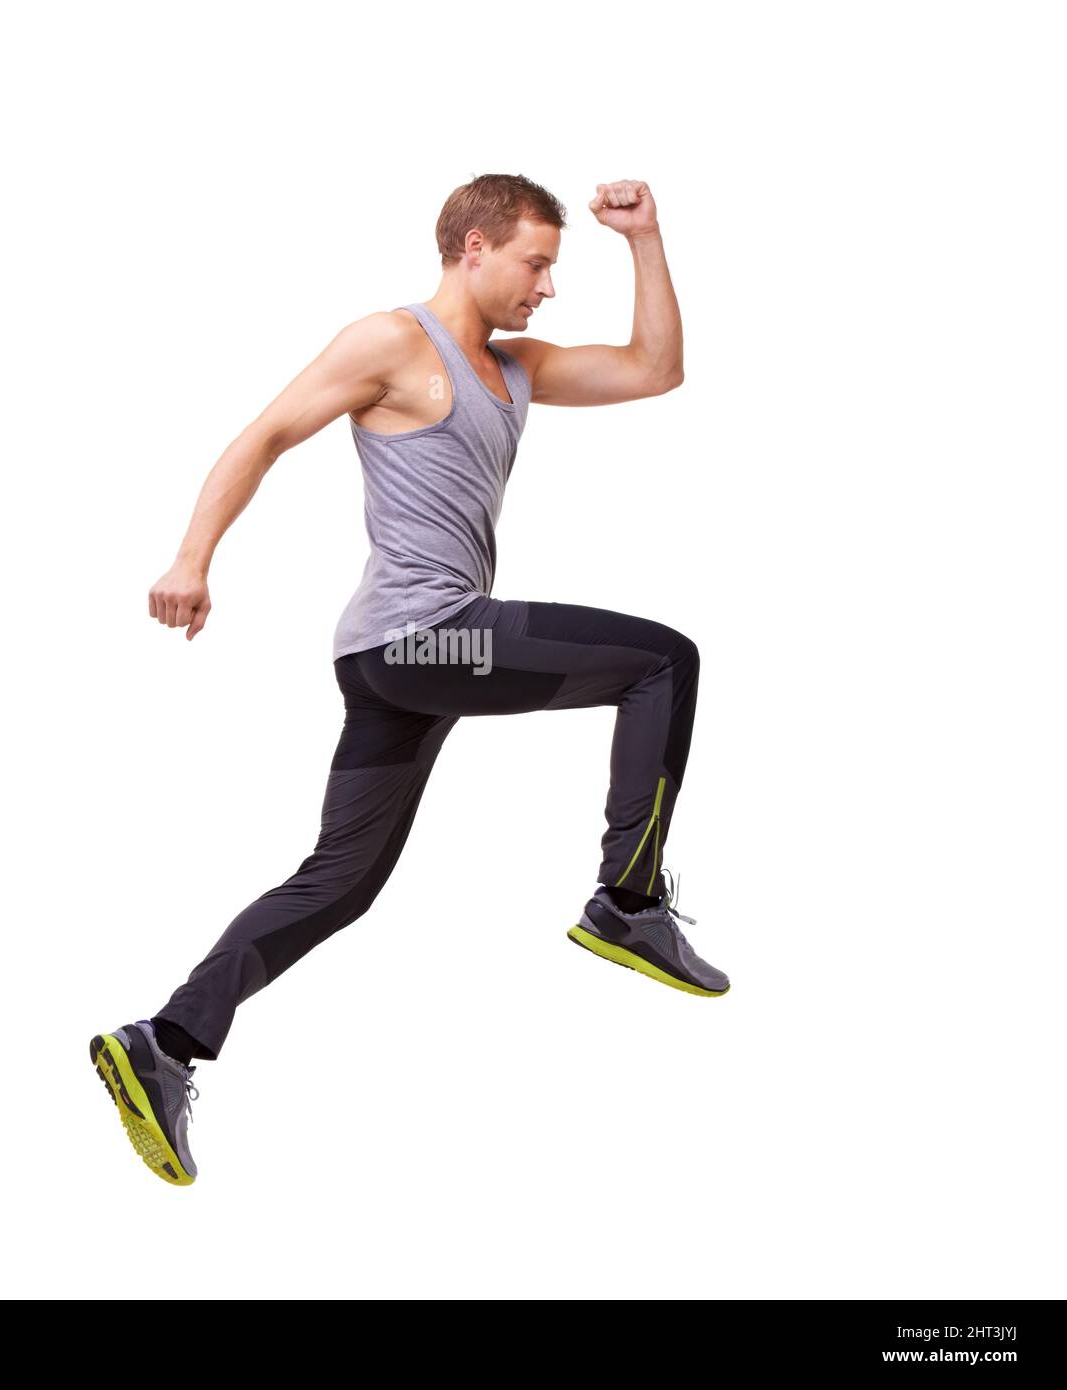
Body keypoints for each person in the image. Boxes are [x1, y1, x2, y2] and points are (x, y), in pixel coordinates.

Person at [89, 173, 730, 1187]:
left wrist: (645, 239)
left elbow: (657, 369)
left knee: (339, 882)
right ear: (472, 248)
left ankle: (163, 1041)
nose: (548, 285)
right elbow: (264, 435)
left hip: (400, 664)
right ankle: (629, 899)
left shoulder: (515, 368)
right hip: (422, 644)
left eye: (556, 265)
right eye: (535, 261)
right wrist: (191, 559)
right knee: (662, 660)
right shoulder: (392, 343)